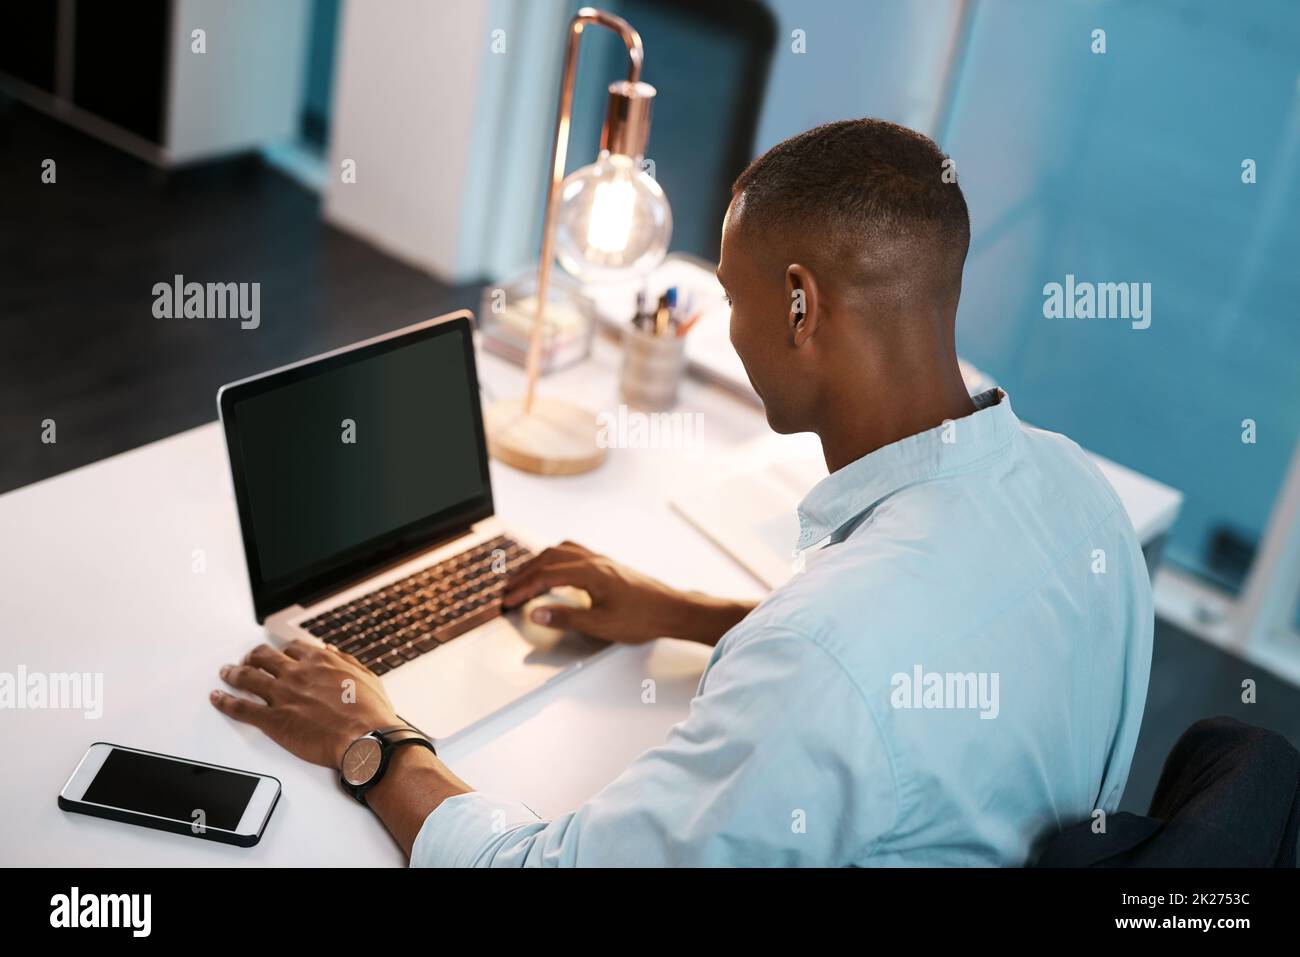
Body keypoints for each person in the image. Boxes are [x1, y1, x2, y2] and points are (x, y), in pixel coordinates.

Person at [210, 118, 1153, 866]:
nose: (728, 333)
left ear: (799, 304)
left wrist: (370, 737)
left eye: (732, 300)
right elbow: (924, 650)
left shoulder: (824, 663)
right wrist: (687, 610)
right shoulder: (1082, 498)